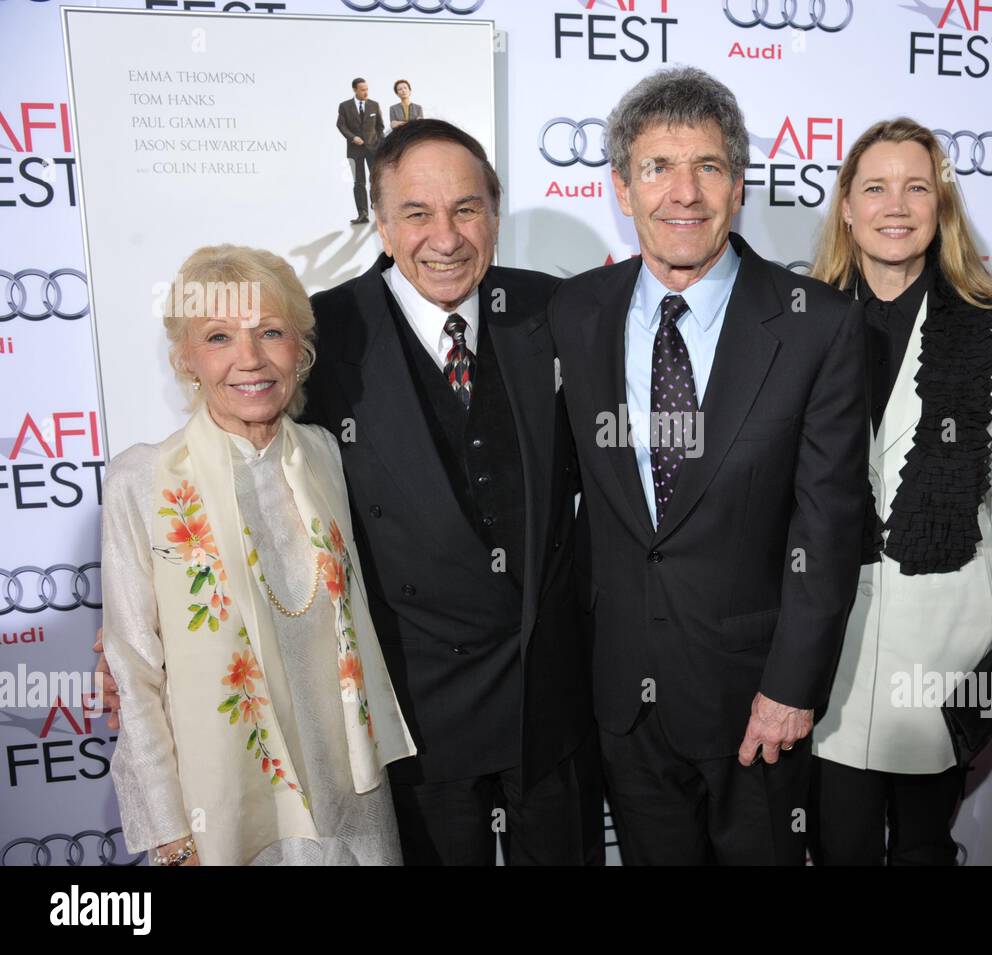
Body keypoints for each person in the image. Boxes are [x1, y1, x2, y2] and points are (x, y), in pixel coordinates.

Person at [549, 67, 868, 865]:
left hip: (754, 704)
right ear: (622, 189)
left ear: (739, 187)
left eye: (709, 168)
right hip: (623, 700)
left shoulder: (816, 328)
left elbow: (827, 526)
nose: (682, 194)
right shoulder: (575, 313)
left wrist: (792, 686)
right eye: (657, 168)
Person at [303, 119, 602, 865]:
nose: (447, 237)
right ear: (379, 222)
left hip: (550, 702)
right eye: (417, 213)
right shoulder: (319, 334)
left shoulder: (559, 312)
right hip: (416, 713)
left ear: (494, 216)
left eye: (467, 209)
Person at [100, 245, 415, 866]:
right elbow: (133, 671)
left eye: (271, 332)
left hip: (352, 794)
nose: (249, 360)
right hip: (226, 810)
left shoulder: (324, 454)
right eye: (218, 337)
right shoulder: (144, 480)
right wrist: (168, 832)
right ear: (185, 359)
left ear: (301, 350)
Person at [809, 118, 992, 865]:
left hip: (948, 645)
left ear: (940, 205)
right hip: (827, 646)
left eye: (916, 186)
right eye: (876, 187)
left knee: (924, 844)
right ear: (847, 207)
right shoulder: (795, 321)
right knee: (837, 843)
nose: (897, 204)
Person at [337, 77, 385, 225]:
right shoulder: (344, 106)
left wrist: (381, 145)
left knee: (375, 180)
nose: (366, 92)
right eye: (363, 90)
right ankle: (362, 214)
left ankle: (376, 208)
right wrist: (352, 138)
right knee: (359, 182)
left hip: (374, 148)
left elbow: (380, 127)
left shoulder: (374, 105)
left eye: (367, 89)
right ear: (355, 90)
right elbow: (341, 125)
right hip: (354, 150)